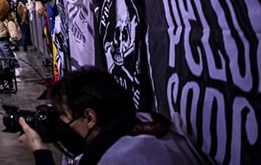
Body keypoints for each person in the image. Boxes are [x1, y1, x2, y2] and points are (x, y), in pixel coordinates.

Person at [17, 66, 210, 164]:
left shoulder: (116, 158)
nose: (60, 124)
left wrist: (40, 151)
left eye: (63, 116)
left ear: (90, 118)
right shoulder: (149, 123)